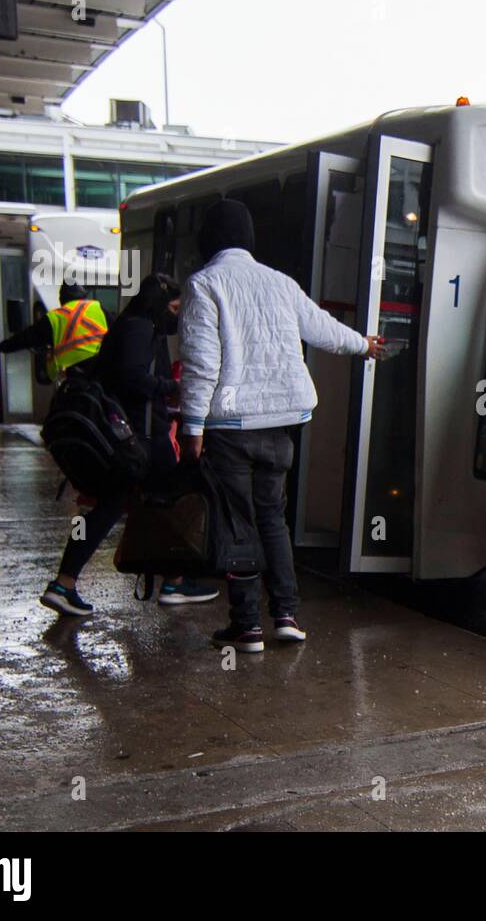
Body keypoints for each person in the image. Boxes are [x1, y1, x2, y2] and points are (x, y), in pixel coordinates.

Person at [178, 199, 386, 653]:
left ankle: (247, 625)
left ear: (207, 239)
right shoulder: (279, 282)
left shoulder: (203, 284)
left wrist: (191, 429)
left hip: (231, 427)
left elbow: (200, 364)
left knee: (239, 524)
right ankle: (287, 616)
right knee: (273, 518)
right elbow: (322, 328)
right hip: (283, 423)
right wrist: (363, 345)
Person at [37, 273, 219, 616]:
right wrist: (171, 386)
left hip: (132, 437)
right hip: (139, 440)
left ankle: (66, 583)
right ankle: (172, 583)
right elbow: (132, 377)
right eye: (175, 307)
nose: (177, 316)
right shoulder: (139, 327)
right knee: (171, 500)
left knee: (108, 509)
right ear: (158, 302)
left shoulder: (133, 325)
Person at [0, 283, 107, 380]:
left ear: (62, 300)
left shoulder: (55, 318)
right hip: (101, 373)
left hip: (72, 380)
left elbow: (24, 339)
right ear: (83, 296)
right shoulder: (98, 308)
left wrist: (0, 347)